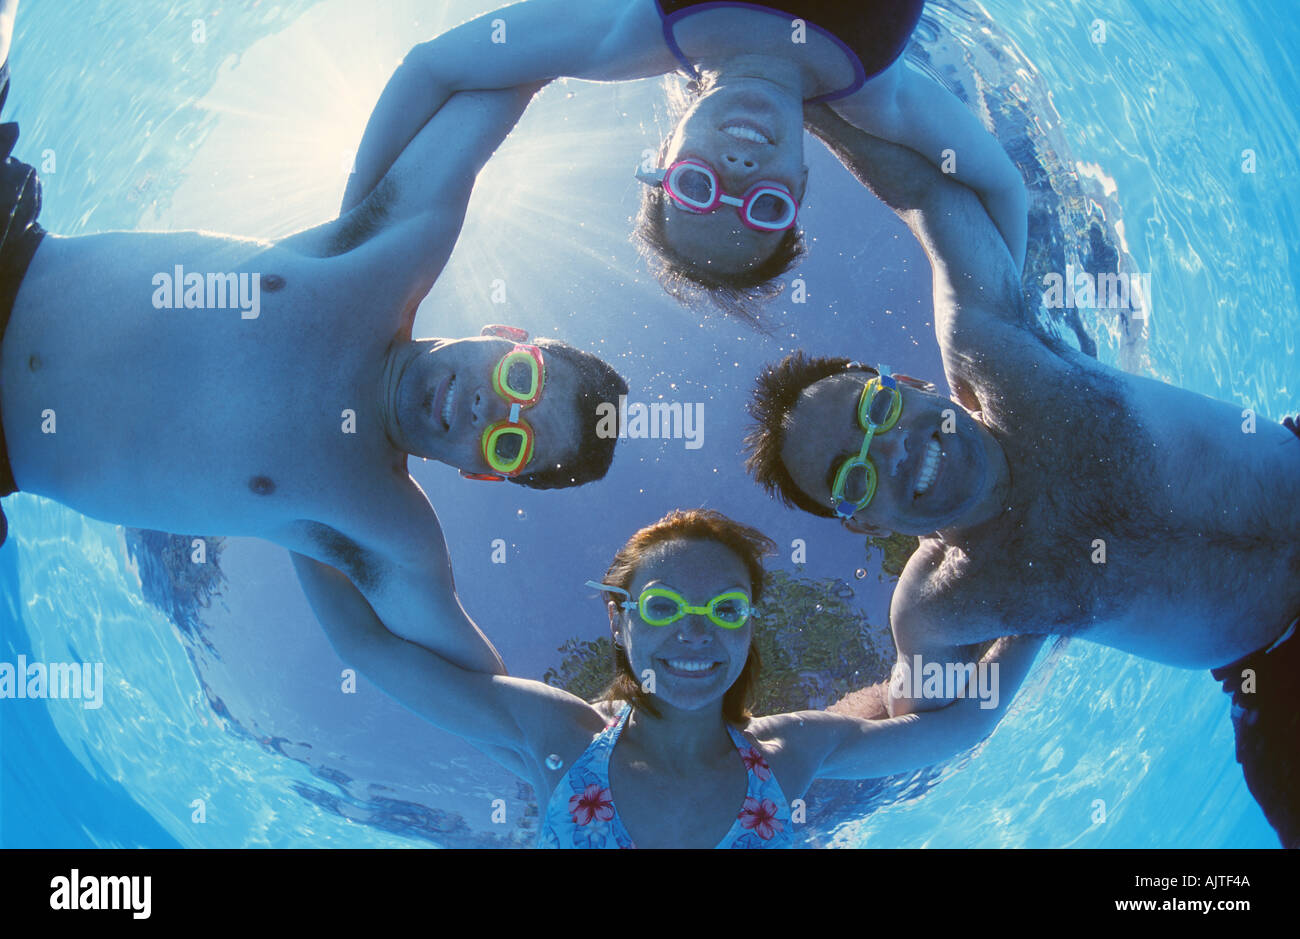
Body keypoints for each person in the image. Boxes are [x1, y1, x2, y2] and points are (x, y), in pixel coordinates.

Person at [0, 2, 626, 674]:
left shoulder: (384, 525)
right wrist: (640, 30)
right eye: (521, 379)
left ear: (482, 471)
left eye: (512, 442)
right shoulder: (387, 258)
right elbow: (507, 73)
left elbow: (483, 685)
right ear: (503, 334)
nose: (492, 408)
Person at [743, 105, 1300, 847]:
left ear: (910, 381)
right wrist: (809, 744)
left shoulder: (996, 349)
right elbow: (939, 722)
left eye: (876, 407)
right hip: (1277, 668)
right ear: (865, 522)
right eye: (853, 477)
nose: (891, 450)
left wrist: (808, 108)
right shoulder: (940, 607)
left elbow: (933, 196)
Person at [296, 507, 1039, 848]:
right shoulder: (560, 730)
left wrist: (1047, 612)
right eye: (662, 606)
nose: (695, 631)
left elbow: (959, 725)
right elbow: (372, 649)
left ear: (748, 624)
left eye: (723, 606)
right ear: (619, 623)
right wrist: (293, 512)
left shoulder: (787, 753)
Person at [345, 0, 1026, 328]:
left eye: (696, 188)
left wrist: (354, 246)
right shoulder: (882, 95)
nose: (736, 170)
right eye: (764, 206)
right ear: (802, 184)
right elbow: (1003, 190)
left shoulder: (629, 35)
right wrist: (996, 339)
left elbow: (430, 67)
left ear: (663, 155)